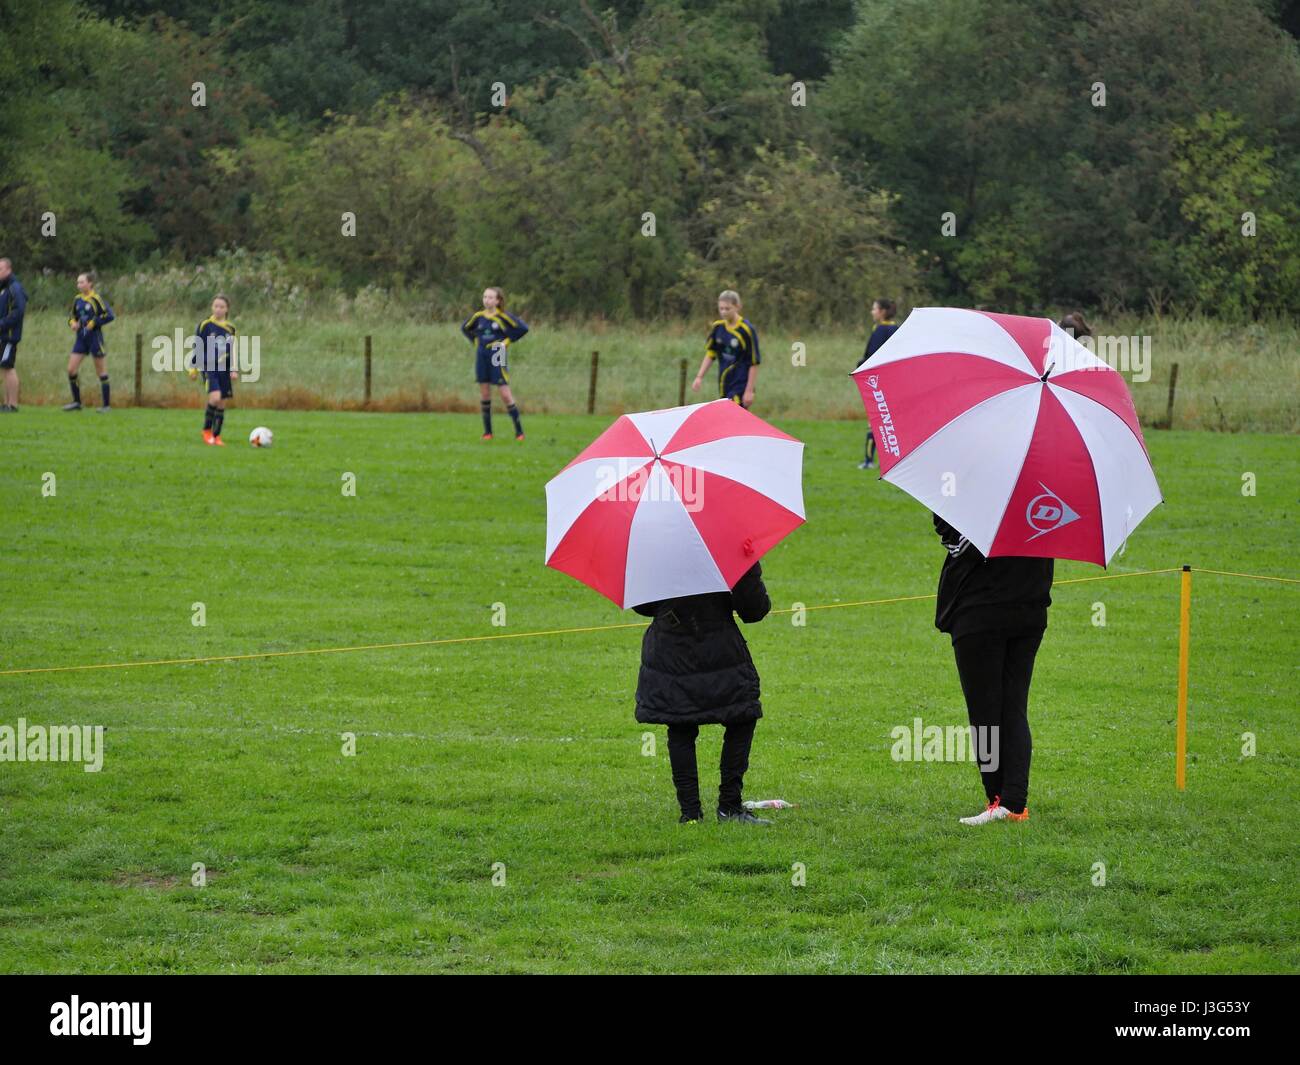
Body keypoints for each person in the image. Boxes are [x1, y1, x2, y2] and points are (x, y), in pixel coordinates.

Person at [933, 515, 1053, 825]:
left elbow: (958, 544)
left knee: (985, 712)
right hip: (1029, 609)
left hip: (981, 613)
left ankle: (998, 800)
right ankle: (1012, 803)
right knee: (1013, 707)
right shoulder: (1040, 492)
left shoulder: (969, 487)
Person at [633, 562, 772, 825]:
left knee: (681, 726)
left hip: (669, 651)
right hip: (719, 650)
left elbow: (642, 606)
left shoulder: (654, 547)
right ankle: (729, 807)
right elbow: (753, 610)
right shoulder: (729, 547)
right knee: (741, 717)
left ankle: (691, 814)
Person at [461, 287, 528, 441]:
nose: (487, 300)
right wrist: (476, 341)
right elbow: (465, 328)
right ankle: (488, 433)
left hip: (498, 353)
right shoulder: (478, 317)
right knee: (485, 393)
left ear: (498, 301)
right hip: (482, 354)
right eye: (485, 297)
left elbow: (523, 329)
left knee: (504, 393)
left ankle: (519, 432)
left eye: (491, 297)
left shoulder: (504, 317)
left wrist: (506, 342)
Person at [692, 290, 760, 408]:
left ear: (737, 307)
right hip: (724, 383)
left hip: (740, 384)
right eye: (721, 308)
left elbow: (754, 362)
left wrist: (749, 391)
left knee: (735, 419)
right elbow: (711, 353)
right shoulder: (718, 327)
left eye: (727, 309)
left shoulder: (746, 330)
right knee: (732, 422)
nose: (723, 312)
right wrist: (699, 377)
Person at [855, 298, 899, 469]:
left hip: (877, 382)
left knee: (874, 420)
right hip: (893, 381)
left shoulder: (881, 330)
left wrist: (859, 366)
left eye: (874, 309)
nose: (872, 312)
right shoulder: (896, 328)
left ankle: (868, 461)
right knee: (889, 421)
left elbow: (870, 358)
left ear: (882, 312)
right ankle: (893, 459)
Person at [63, 272, 116, 412]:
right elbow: (71, 317)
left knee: (101, 372)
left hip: (94, 338)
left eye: (82, 282)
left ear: (90, 283)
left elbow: (109, 316)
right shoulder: (77, 299)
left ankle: (106, 405)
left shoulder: (96, 299)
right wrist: (73, 323)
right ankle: (77, 402)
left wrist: (94, 323)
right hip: (81, 338)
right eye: (78, 283)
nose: (79, 285)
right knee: (71, 369)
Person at [191, 295, 238, 446]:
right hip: (209, 366)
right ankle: (206, 431)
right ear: (212, 307)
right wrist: (193, 368)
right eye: (215, 306)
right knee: (215, 397)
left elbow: (232, 350)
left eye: (221, 307)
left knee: (222, 403)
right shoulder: (205, 325)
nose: (218, 309)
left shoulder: (230, 329)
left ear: (227, 309)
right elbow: (197, 346)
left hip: (224, 368)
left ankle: (216, 436)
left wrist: (233, 369)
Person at [0, 257, 28, 413]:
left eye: (0, 269)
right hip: (3, 334)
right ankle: (6, 403)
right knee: (3, 368)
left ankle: (13, 404)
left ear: (8, 270)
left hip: (10, 335)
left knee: (8, 367)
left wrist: (2, 324)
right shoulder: (3, 287)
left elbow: (18, 312)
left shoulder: (14, 288)